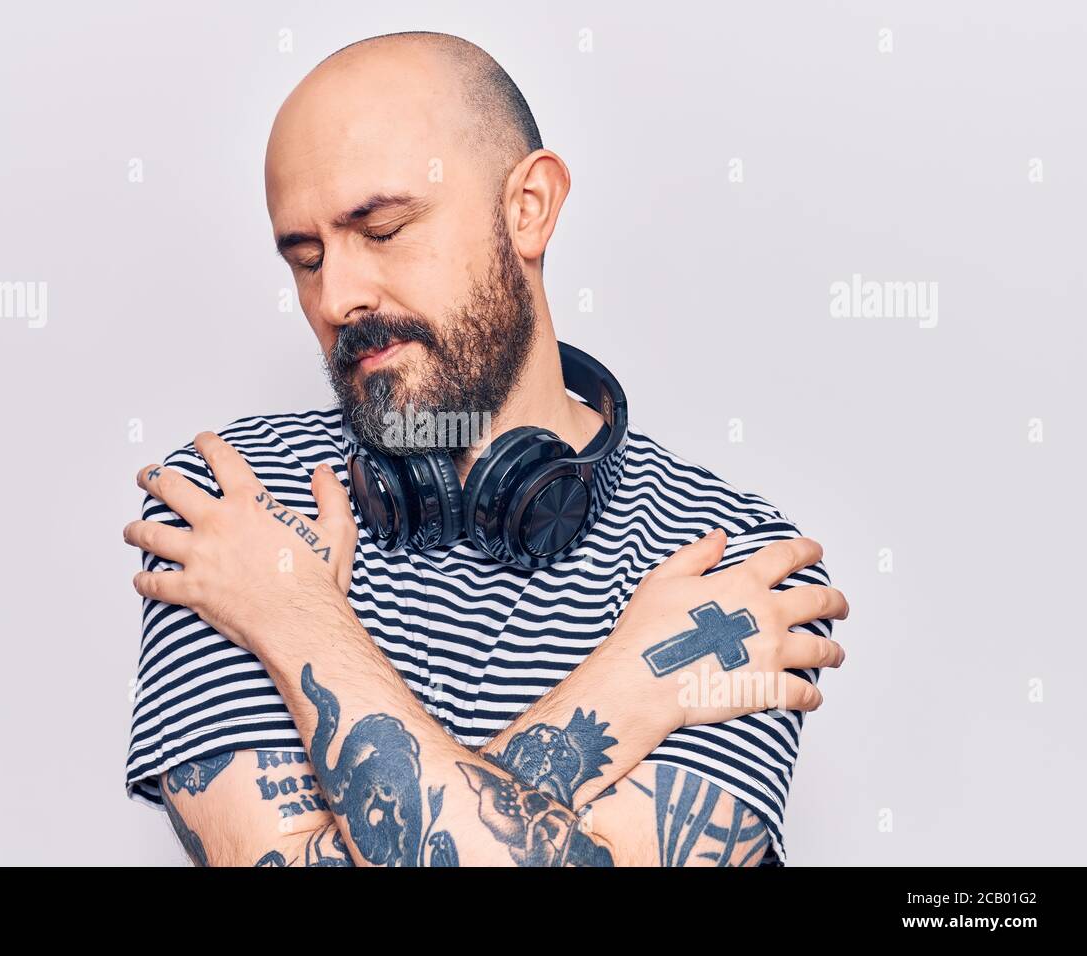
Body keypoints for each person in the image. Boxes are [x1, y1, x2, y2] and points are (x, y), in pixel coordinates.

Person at [122, 31, 848, 867]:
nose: (338, 297)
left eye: (384, 230)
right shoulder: (232, 506)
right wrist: (630, 688)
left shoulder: (730, 567)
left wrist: (288, 617)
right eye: (307, 258)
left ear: (528, 207)